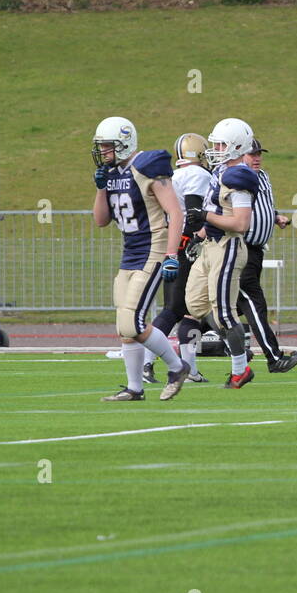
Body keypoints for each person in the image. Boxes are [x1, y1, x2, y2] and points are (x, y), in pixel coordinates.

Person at [91, 116, 189, 402]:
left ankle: (176, 366)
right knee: (124, 324)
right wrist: (100, 187)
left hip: (153, 250)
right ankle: (135, 388)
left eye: (108, 146)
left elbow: (175, 213)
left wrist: (172, 254)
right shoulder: (111, 173)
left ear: (124, 143)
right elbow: (100, 221)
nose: (104, 152)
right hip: (129, 253)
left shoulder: (147, 166)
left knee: (132, 322)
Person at [181, 117, 260, 389]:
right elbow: (216, 212)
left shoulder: (239, 176)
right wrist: (199, 233)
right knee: (196, 304)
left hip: (228, 247)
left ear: (237, 145)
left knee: (225, 314)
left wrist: (204, 216)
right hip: (211, 246)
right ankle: (237, 346)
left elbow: (240, 223)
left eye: (221, 143)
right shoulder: (221, 171)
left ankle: (240, 368)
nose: (215, 148)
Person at [142, 132, 213, 384]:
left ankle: (190, 369)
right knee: (175, 309)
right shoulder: (197, 175)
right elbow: (194, 214)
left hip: (172, 244)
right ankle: (146, 363)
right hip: (187, 246)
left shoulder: (175, 175)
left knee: (187, 310)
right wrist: (198, 238)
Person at [236, 138, 297, 373]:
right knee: (254, 303)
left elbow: (261, 204)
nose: (256, 158)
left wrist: (274, 217)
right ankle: (274, 358)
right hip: (240, 248)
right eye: (251, 153)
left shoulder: (262, 176)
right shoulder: (235, 177)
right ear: (240, 155)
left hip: (255, 250)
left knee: (223, 308)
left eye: (259, 154)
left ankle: (230, 345)